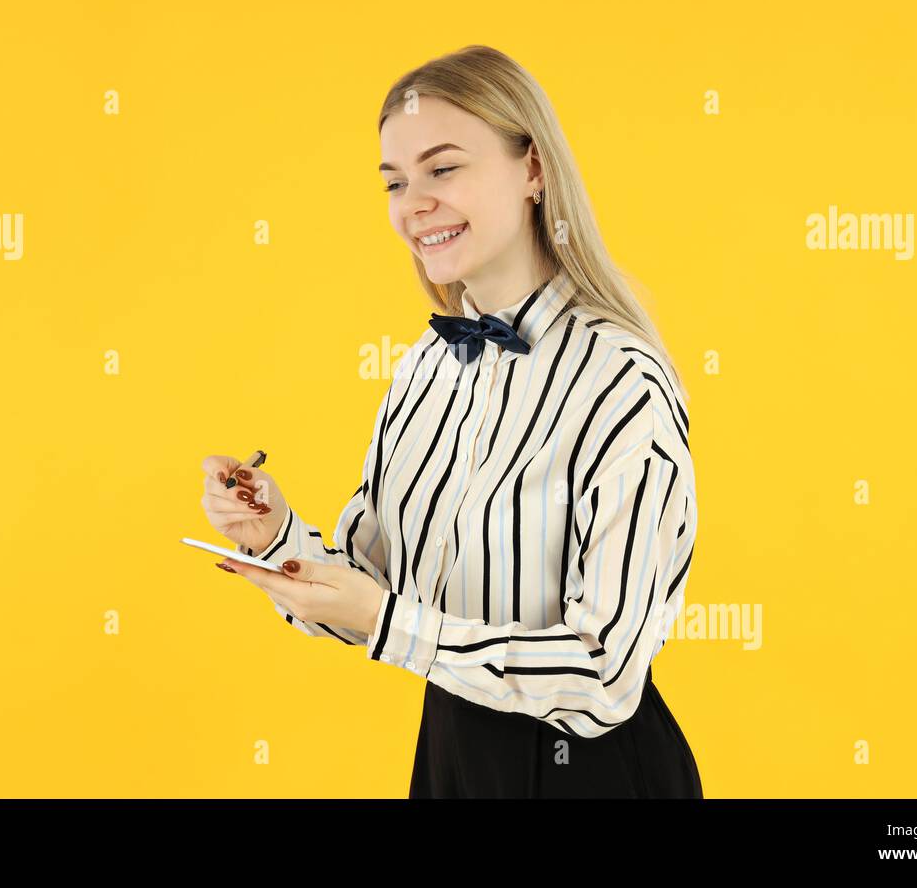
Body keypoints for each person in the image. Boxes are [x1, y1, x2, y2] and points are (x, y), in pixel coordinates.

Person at [202, 45, 702, 798]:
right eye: (396, 182)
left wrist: (397, 625)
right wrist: (273, 534)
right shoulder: (422, 371)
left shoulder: (619, 380)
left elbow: (604, 675)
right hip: (450, 760)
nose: (413, 205)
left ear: (533, 169)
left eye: (442, 169)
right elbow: (371, 593)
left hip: (591, 776)